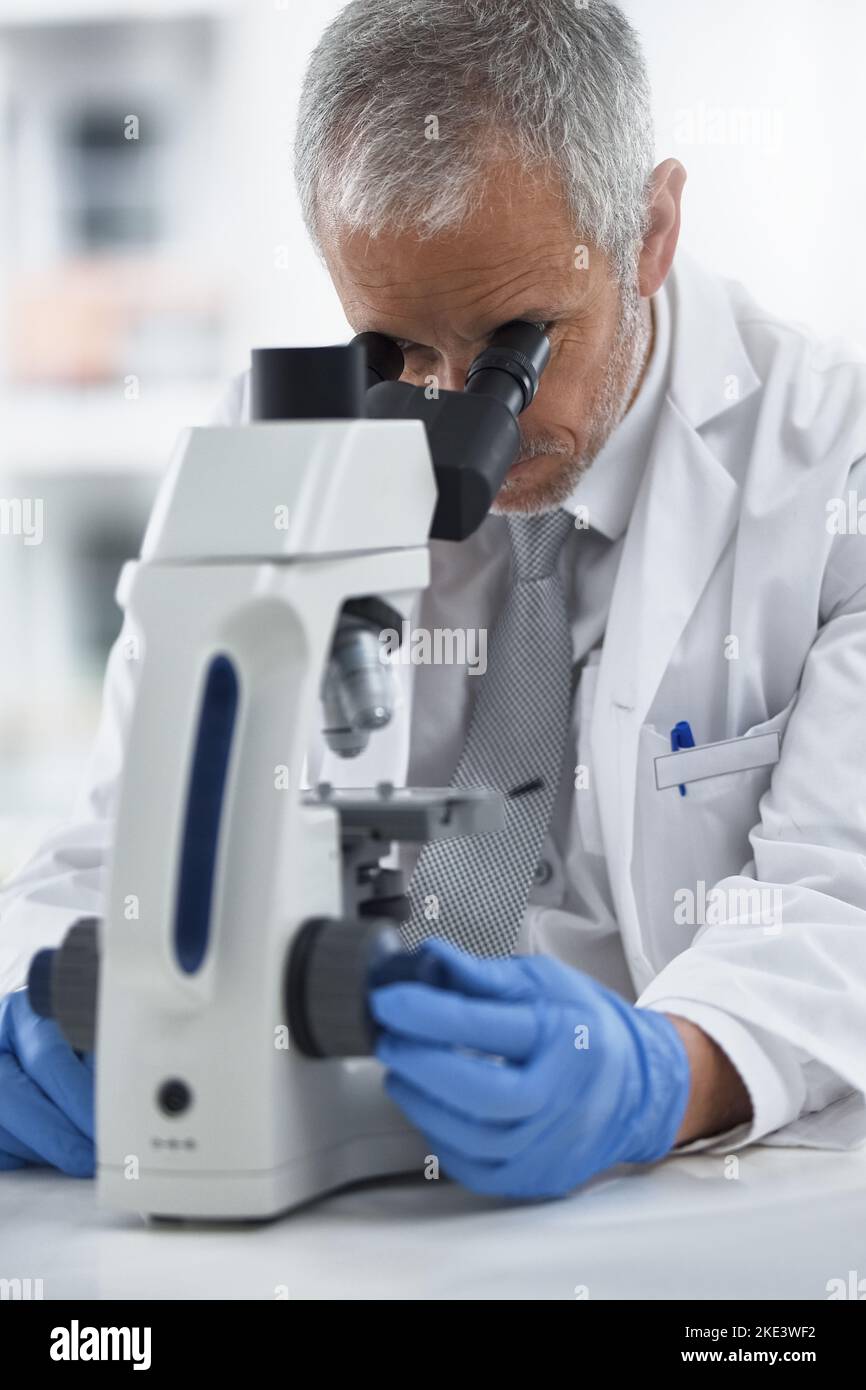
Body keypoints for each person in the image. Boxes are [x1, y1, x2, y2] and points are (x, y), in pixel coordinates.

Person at [2, 0, 866, 1198]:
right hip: (331, 1202)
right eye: (398, 348)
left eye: (519, 345)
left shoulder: (834, 466)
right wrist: (52, 1003)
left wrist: (657, 1074)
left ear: (650, 230)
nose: (462, 415)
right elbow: (117, 849)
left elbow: (840, 903)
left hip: (671, 1209)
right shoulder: (261, 463)